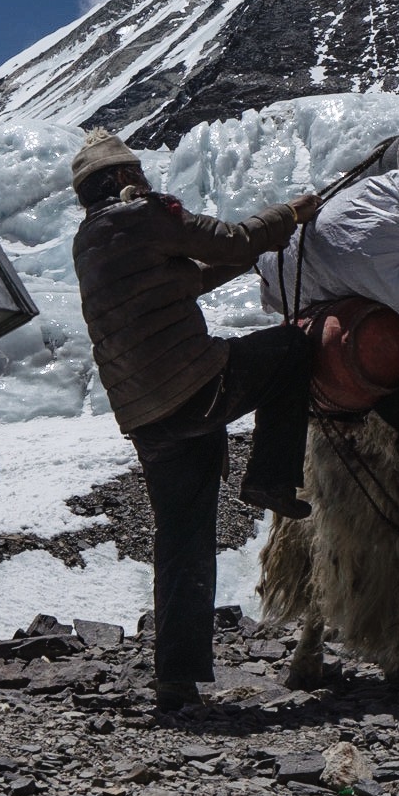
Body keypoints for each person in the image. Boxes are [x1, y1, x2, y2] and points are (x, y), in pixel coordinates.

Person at [68, 129, 322, 711]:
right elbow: (230, 240)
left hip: (148, 421)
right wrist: (290, 214)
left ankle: (176, 681)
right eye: (135, 171)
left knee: (182, 539)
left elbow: (183, 281)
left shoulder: (92, 241)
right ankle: (271, 476)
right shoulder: (144, 214)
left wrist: (247, 256)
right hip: (193, 389)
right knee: (291, 349)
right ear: (120, 179)